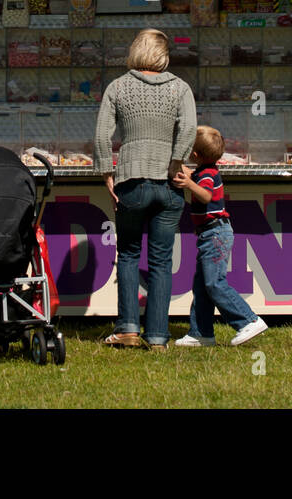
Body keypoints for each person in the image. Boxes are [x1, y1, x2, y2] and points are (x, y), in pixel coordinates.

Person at [95, 28, 196, 349]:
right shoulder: (180, 88)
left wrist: (106, 173)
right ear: (163, 55)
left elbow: (101, 137)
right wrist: (177, 161)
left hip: (131, 181)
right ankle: (157, 336)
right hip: (169, 184)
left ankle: (127, 328)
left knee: (127, 254)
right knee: (161, 261)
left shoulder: (117, 87)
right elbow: (190, 128)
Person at [171, 125, 268, 347]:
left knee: (214, 282)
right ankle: (201, 333)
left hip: (215, 234)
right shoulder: (204, 171)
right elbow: (188, 173)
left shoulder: (207, 175)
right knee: (202, 285)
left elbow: (205, 195)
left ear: (195, 155)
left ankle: (248, 320)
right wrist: (178, 167)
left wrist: (188, 185)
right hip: (210, 234)